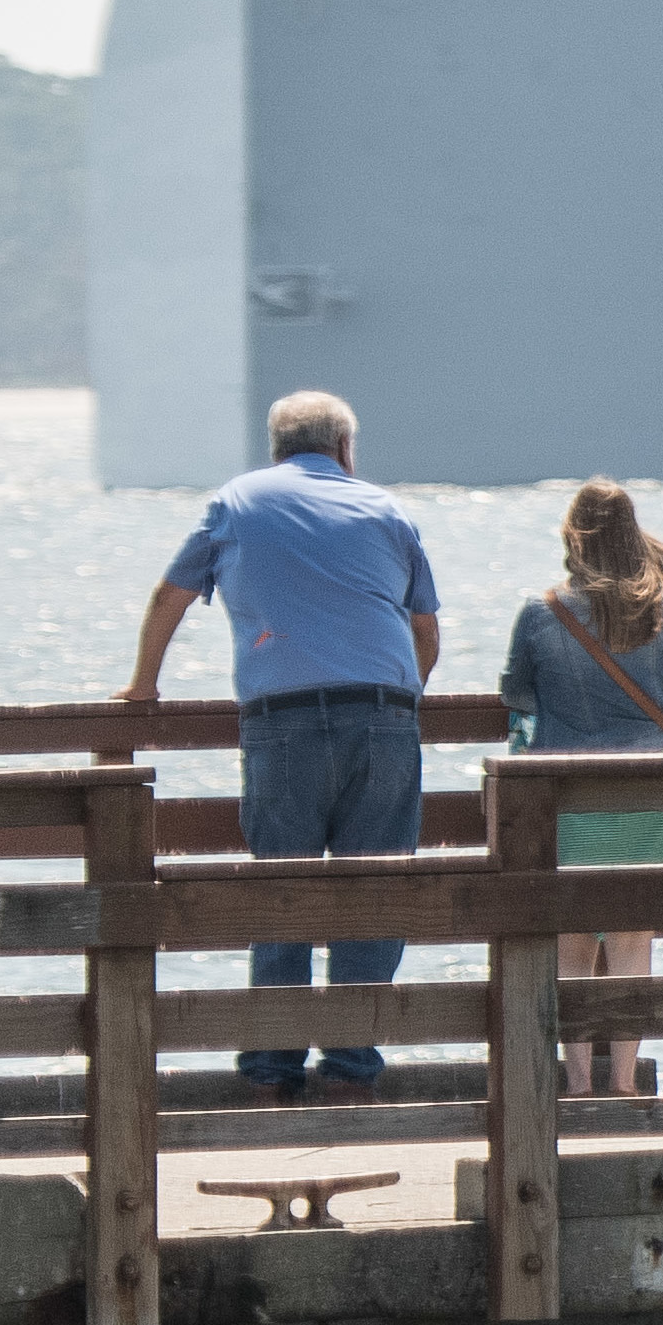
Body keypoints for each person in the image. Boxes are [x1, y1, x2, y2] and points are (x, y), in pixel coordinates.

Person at [121, 389, 443, 1099]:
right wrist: (398, 702)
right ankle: (351, 1072)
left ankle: (272, 1070)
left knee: (280, 892)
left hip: (283, 718)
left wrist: (144, 684)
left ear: (276, 448)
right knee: (375, 897)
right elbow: (425, 631)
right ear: (345, 449)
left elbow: (170, 595)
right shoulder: (387, 509)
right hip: (382, 716)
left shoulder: (236, 501)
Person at [493, 486, 663, 1099]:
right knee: (631, 938)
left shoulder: (543, 613)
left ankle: (576, 1082)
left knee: (571, 941)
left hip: (572, 798)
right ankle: (621, 1081)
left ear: (573, 537)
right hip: (654, 797)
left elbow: (517, 696)